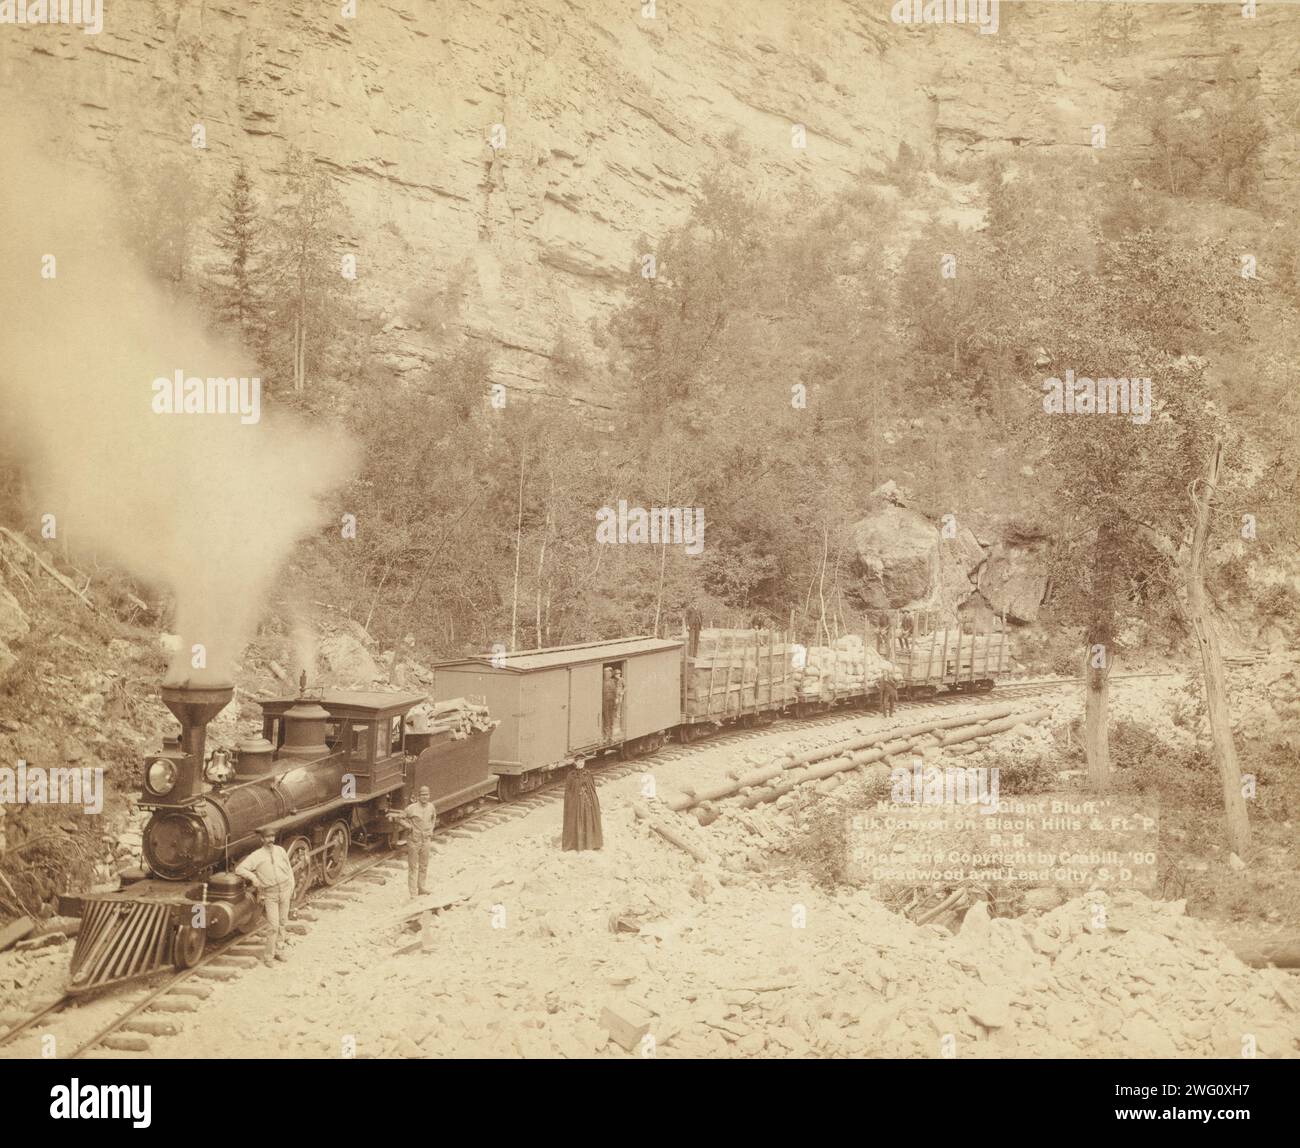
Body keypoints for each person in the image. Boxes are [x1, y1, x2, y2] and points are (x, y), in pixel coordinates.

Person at [235, 828, 295, 966]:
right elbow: (239, 869)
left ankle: (279, 950)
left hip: (285, 889)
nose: (271, 840)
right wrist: (254, 878)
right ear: (261, 839)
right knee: (273, 925)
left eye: (272, 836)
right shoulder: (256, 856)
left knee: (282, 922)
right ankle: (269, 957)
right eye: (267, 837)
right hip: (270, 894)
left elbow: (289, 868)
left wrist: (292, 885)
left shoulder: (280, 851)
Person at [392, 785, 437, 898]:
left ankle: (421, 888)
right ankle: (413, 893)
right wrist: (408, 827)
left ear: (429, 795)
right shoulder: (411, 808)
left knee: (424, 865)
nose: (425, 797)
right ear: (418, 796)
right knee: (413, 867)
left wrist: (431, 830)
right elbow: (398, 818)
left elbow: (434, 818)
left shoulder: (431, 807)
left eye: (426, 795)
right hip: (414, 841)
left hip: (426, 840)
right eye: (422, 795)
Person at [562, 755, 603, 851]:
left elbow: (592, 788)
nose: (581, 763)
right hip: (576, 803)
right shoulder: (571, 775)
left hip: (587, 802)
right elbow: (568, 792)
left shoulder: (588, 774)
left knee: (588, 819)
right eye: (579, 762)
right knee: (577, 820)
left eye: (582, 762)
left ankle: (590, 844)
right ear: (575, 763)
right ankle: (577, 845)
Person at [602, 666, 616, 741]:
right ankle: (606, 736)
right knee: (606, 719)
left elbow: (614, 691)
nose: (608, 674)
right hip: (605, 702)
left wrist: (615, 700)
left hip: (611, 701)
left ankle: (611, 736)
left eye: (610, 673)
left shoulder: (612, 681)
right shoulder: (602, 682)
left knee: (611, 719)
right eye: (607, 673)